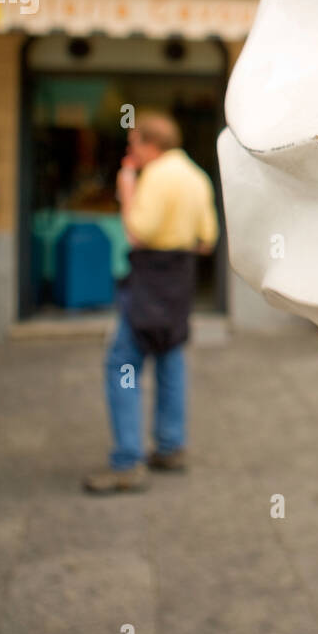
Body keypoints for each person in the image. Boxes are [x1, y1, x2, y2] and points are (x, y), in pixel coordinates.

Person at [83, 111, 219, 494]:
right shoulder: (196, 176)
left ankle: (127, 460)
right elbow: (207, 240)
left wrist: (126, 186)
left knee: (122, 362)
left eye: (132, 145)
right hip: (180, 279)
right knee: (170, 352)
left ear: (149, 144)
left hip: (149, 279)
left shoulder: (155, 177)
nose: (131, 153)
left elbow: (137, 234)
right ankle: (170, 444)